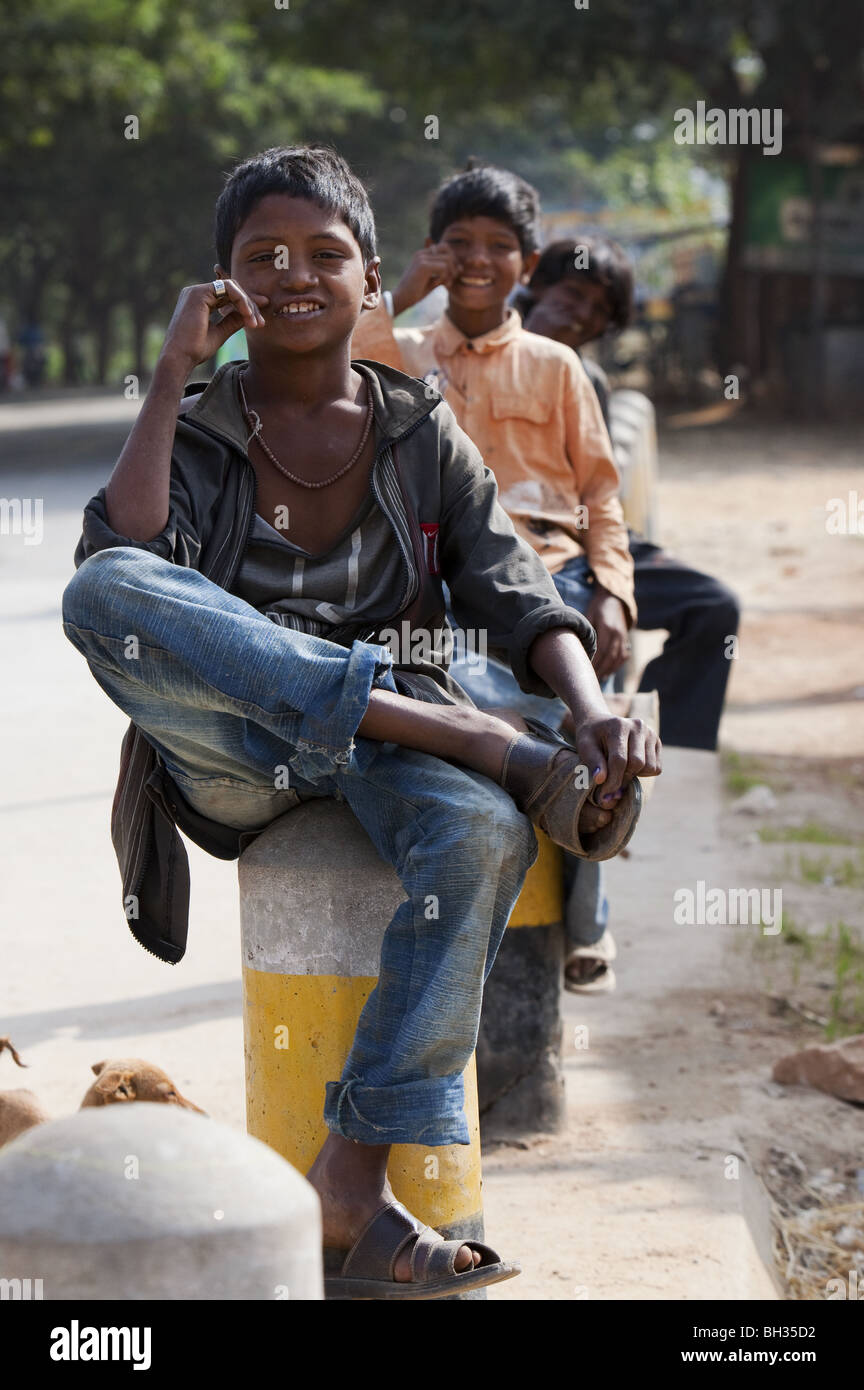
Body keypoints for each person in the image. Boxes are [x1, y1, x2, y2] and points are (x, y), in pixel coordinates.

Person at [61, 146, 661, 1298]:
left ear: (373, 280)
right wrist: (170, 372)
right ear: (225, 285)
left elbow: (514, 587)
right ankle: (478, 742)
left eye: (323, 254)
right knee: (102, 590)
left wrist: (591, 710)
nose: (293, 274)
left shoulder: (414, 426)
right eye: (262, 256)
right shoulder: (200, 423)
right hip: (235, 751)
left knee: (482, 831)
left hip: (393, 736)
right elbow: (127, 558)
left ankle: (351, 1180)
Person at [351, 165, 638, 994]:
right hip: (438, 581)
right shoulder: (401, 352)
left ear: (528, 262)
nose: (478, 260)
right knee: (446, 700)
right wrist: (401, 293)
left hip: (549, 576)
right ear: (433, 251)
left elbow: (601, 496)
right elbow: (333, 358)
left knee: (579, 714)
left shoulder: (556, 366)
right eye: (459, 244)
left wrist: (614, 591)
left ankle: (586, 923)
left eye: (499, 246)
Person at [521, 237, 741, 754]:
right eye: (574, 293)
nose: (583, 314)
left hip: (583, 540)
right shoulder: (472, 356)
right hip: (517, 547)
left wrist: (614, 586)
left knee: (712, 606)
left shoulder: (588, 380)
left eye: (600, 310)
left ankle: (671, 753)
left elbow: (598, 497)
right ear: (537, 284)